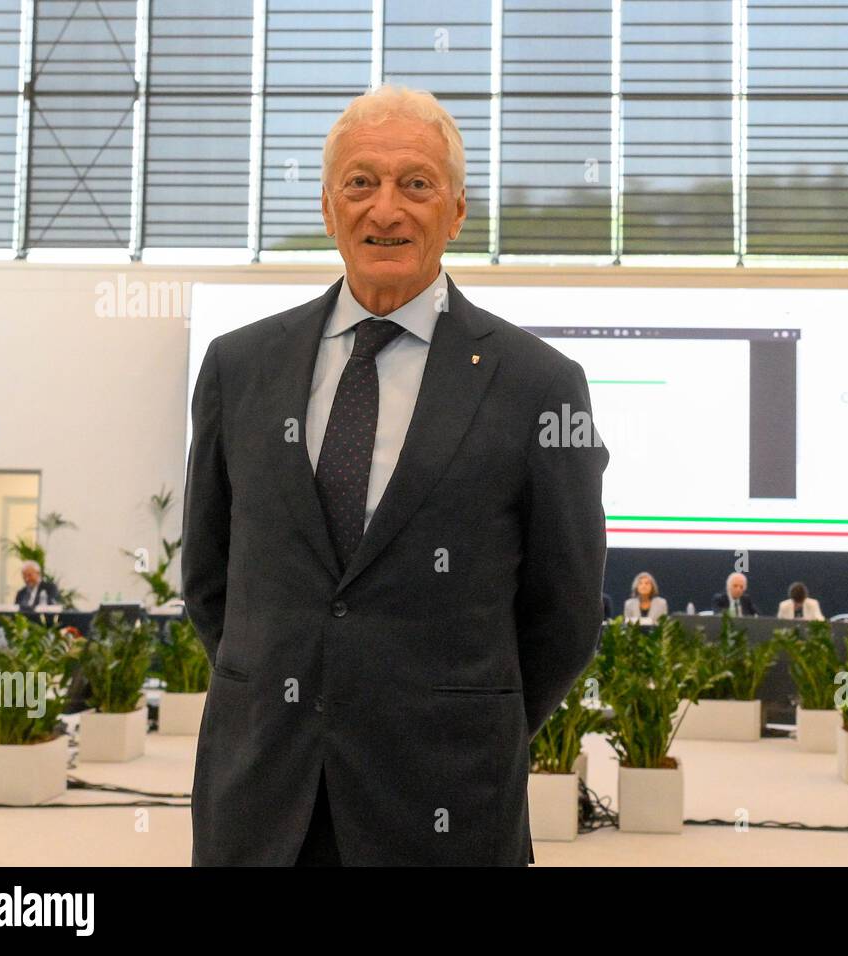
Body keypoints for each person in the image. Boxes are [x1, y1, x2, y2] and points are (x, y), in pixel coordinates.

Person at [181, 85, 609, 867]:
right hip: (260, 802)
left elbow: (566, 615)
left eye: (416, 184)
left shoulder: (536, 385)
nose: (386, 209)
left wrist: (469, 721)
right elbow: (211, 580)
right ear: (327, 206)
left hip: (447, 804)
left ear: (456, 211)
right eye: (360, 182)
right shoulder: (238, 367)